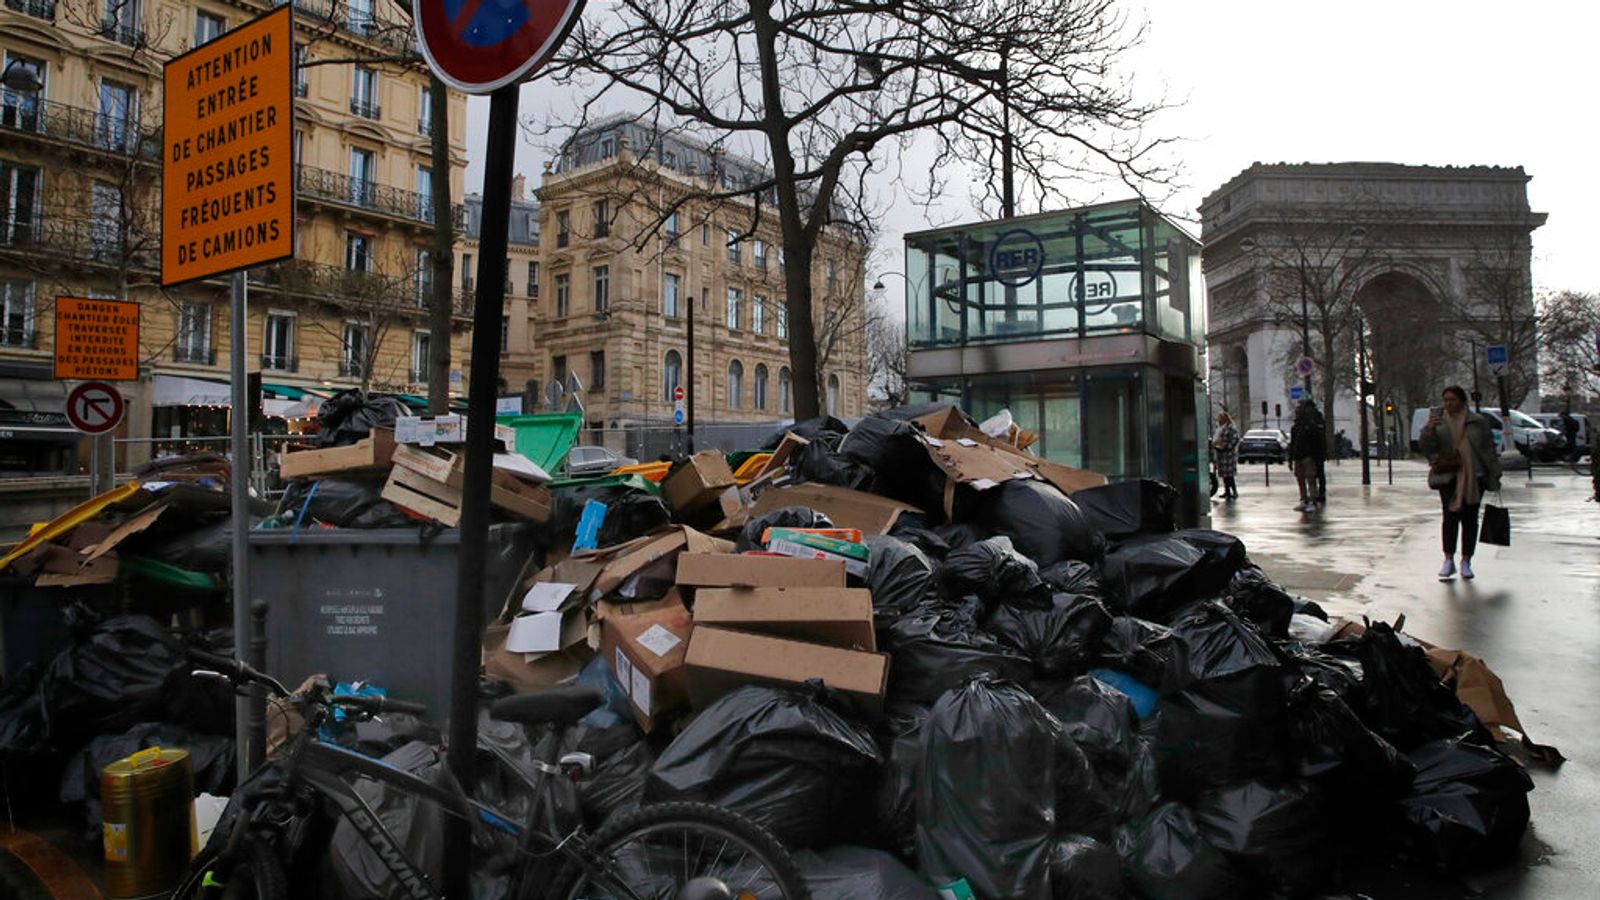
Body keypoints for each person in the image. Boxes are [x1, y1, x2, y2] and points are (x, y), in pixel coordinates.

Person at [1419, 385, 1502, 581]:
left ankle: (1466, 560)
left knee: (1470, 519)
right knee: (1450, 517)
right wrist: (1429, 429)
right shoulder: (1439, 423)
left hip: (1475, 476)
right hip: (1449, 476)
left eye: (1452, 400)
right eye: (1445, 400)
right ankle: (1448, 559)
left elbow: (1488, 448)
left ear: (1462, 401)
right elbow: (1426, 447)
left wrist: (1495, 474)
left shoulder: (1478, 422)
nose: (1448, 404)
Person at [1288, 400, 1324, 512]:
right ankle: (1304, 500)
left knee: (1310, 479)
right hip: (1299, 456)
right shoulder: (1296, 427)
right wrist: (1291, 458)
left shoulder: (1310, 426)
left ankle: (1312, 500)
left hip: (1307, 456)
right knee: (1302, 479)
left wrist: (1314, 456)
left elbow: (1316, 442)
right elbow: (1292, 443)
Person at [1212, 412, 1240, 500]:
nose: (1219, 420)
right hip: (1221, 454)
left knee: (1229, 474)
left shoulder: (1230, 428)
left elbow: (1235, 439)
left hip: (1228, 454)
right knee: (1224, 474)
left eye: (1220, 418)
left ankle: (1234, 491)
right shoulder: (1220, 428)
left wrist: (1227, 447)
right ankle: (1227, 491)